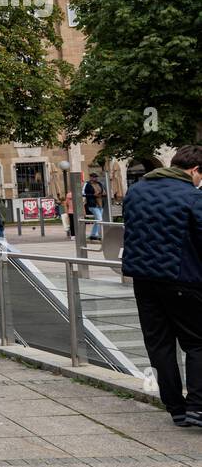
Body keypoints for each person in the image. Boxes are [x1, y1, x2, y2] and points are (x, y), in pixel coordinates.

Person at [121, 146, 202, 427]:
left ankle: (175, 408)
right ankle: (198, 406)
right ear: (194, 170)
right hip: (183, 279)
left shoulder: (136, 192)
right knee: (196, 342)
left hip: (143, 281)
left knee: (160, 344)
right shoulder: (194, 198)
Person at [84, 172, 105, 241]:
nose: (95, 178)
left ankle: (93, 234)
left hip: (100, 204)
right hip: (93, 205)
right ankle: (100, 235)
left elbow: (102, 191)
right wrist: (93, 195)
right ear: (91, 178)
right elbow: (85, 194)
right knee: (100, 220)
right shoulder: (88, 185)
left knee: (97, 220)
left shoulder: (99, 184)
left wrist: (102, 193)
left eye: (96, 177)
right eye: (94, 177)